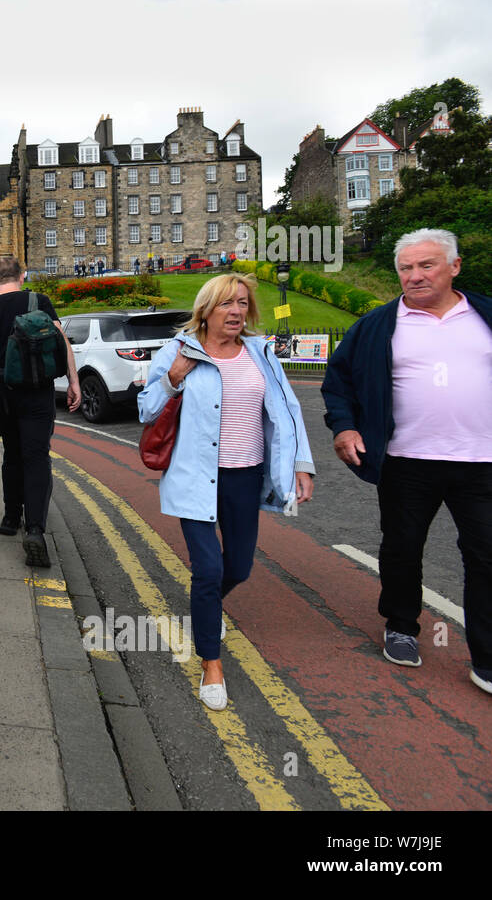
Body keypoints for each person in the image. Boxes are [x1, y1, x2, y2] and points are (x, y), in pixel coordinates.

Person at [322, 228, 492, 694]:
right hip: (406, 461)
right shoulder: (377, 326)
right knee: (402, 548)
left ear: (454, 266)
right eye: (405, 268)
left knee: (486, 557)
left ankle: (487, 656)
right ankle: (400, 625)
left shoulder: (485, 315)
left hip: (482, 461)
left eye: (426, 265)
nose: (414, 276)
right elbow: (338, 384)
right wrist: (346, 427)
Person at [139, 273, 315, 710]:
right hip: (195, 476)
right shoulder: (178, 352)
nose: (236, 311)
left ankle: (207, 609)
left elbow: (288, 412)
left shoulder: (261, 354)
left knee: (238, 567)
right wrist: (173, 379)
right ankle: (211, 665)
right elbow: (145, 409)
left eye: (241, 303)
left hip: (245, 476)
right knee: (208, 570)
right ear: (206, 310)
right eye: (225, 304)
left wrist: (300, 465)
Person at [0, 257, 80, 567]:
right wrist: (73, 381)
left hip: (2, 392)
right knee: (37, 456)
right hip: (38, 391)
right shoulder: (39, 300)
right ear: (22, 276)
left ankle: (11, 518)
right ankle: (35, 528)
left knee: (11, 454)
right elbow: (61, 340)